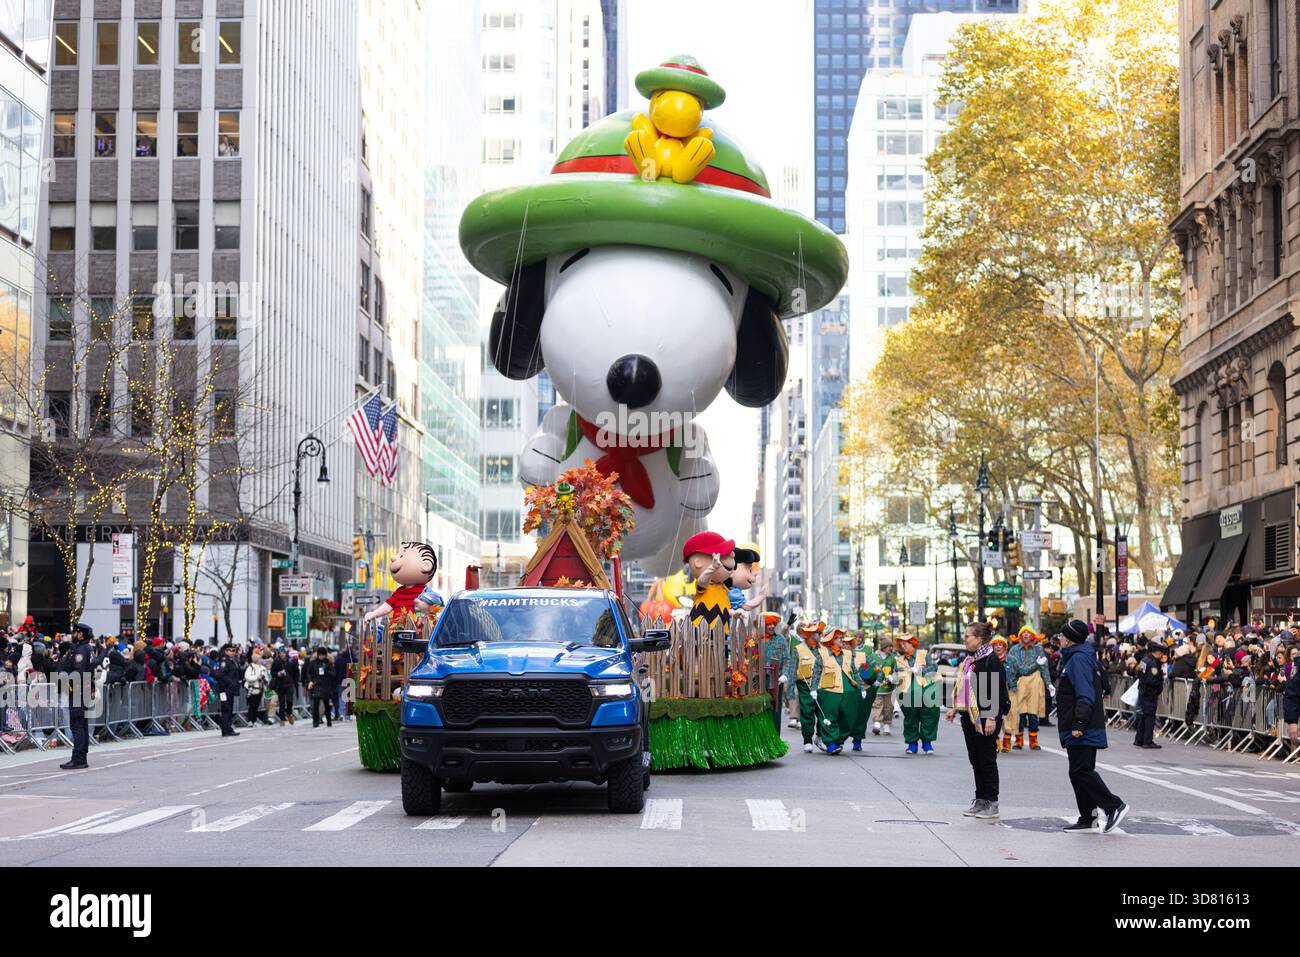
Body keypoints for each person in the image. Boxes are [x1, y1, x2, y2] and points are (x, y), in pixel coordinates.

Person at [1055, 619, 1128, 833]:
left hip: (1082, 725)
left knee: (1081, 771)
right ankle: (1089, 817)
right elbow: (1104, 684)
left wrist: (1079, 722)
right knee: (1078, 771)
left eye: (1061, 636)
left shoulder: (1078, 659)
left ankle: (1114, 805)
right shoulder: (1085, 656)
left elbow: (1085, 693)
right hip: (1084, 723)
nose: (1059, 639)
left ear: (1068, 640)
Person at [945, 620, 1008, 819]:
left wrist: (991, 717)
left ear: (979, 639)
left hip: (985, 717)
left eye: (967, 636)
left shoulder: (991, 660)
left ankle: (992, 802)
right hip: (969, 716)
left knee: (987, 760)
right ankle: (980, 799)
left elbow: (996, 691)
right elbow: (964, 687)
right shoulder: (970, 660)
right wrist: (955, 707)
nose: (965, 640)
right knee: (976, 760)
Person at [809, 627, 855, 755]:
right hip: (828, 691)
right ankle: (831, 744)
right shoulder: (822, 654)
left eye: (842, 637)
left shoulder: (848, 653)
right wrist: (813, 689)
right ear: (832, 640)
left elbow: (854, 671)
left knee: (847, 718)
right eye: (839, 638)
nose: (842, 639)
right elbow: (816, 672)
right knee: (829, 717)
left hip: (846, 691)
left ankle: (838, 740)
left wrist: (860, 687)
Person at [1005, 626, 1051, 751]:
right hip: (1020, 682)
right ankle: (1018, 741)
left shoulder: (1038, 650)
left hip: (1035, 681)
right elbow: (1010, 668)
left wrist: (1048, 684)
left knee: (1032, 712)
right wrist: (1010, 683)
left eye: (1028, 633)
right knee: (1019, 712)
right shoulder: (1014, 650)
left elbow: (1044, 667)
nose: (1025, 635)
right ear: (1020, 636)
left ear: (1033, 636)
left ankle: (1033, 741)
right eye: (1023, 632)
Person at [58, 623, 96, 770]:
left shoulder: (81, 650)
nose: (73, 634)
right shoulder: (87, 648)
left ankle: (79, 758)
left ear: (81, 634)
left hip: (79, 689)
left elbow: (77, 673)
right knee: (82, 724)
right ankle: (81, 756)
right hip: (84, 688)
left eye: (76, 632)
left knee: (77, 725)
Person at [895, 633, 939, 755]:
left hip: (926, 691)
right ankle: (912, 744)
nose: (903, 646)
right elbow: (897, 676)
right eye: (901, 644)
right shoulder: (899, 660)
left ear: (912, 642)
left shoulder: (923, 654)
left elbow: (934, 668)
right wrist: (892, 678)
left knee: (928, 717)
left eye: (906, 643)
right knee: (910, 719)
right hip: (908, 694)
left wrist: (920, 671)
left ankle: (927, 743)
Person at [791, 618, 824, 752]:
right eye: (818, 633)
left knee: (823, 711)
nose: (820, 636)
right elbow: (792, 667)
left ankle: (820, 737)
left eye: (821, 633)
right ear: (810, 634)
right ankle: (807, 740)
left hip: (822, 684)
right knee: (807, 712)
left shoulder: (824, 649)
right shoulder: (798, 648)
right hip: (805, 684)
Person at [1134, 639, 1167, 749]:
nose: (1162, 655)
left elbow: (1139, 673)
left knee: (1144, 716)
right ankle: (1147, 741)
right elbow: (1151, 679)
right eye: (1161, 653)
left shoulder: (1145, 659)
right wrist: (1159, 687)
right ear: (1158, 652)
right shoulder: (1153, 663)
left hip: (1143, 690)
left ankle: (1139, 739)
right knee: (1149, 717)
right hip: (1149, 692)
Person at [870, 638, 898, 736]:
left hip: (889, 688)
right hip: (878, 687)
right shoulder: (874, 656)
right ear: (883, 647)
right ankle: (876, 723)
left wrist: (893, 677)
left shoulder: (893, 658)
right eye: (888, 646)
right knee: (877, 704)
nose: (890, 648)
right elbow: (869, 668)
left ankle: (887, 724)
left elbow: (897, 670)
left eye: (891, 646)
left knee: (889, 707)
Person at [213, 644, 241, 737]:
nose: (233, 652)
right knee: (226, 709)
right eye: (231, 650)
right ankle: (226, 729)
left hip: (230, 689)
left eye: (234, 650)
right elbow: (220, 674)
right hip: (224, 689)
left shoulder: (231, 660)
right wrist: (230, 682)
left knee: (229, 709)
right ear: (226, 651)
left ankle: (228, 728)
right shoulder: (224, 661)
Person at [306, 646, 335, 727]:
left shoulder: (328, 664)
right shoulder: (313, 663)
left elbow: (333, 674)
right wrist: (310, 681)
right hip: (316, 686)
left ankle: (329, 720)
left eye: (323, 655)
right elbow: (309, 673)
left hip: (326, 686)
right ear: (317, 655)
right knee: (315, 705)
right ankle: (315, 721)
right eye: (320, 655)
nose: (321, 656)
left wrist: (327, 671)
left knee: (327, 705)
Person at [243, 652, 271, 726]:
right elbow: (247, 677)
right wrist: (256, 677)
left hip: (260, 688)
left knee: (256, 706)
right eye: (259, 659)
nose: (260, 660)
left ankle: (254, 721)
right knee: (252, 705)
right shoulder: (250, 667)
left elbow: (267, 678)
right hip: (252, 688)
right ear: (255, 660)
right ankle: (250, 721)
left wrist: (265, 679)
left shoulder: (263, 668)